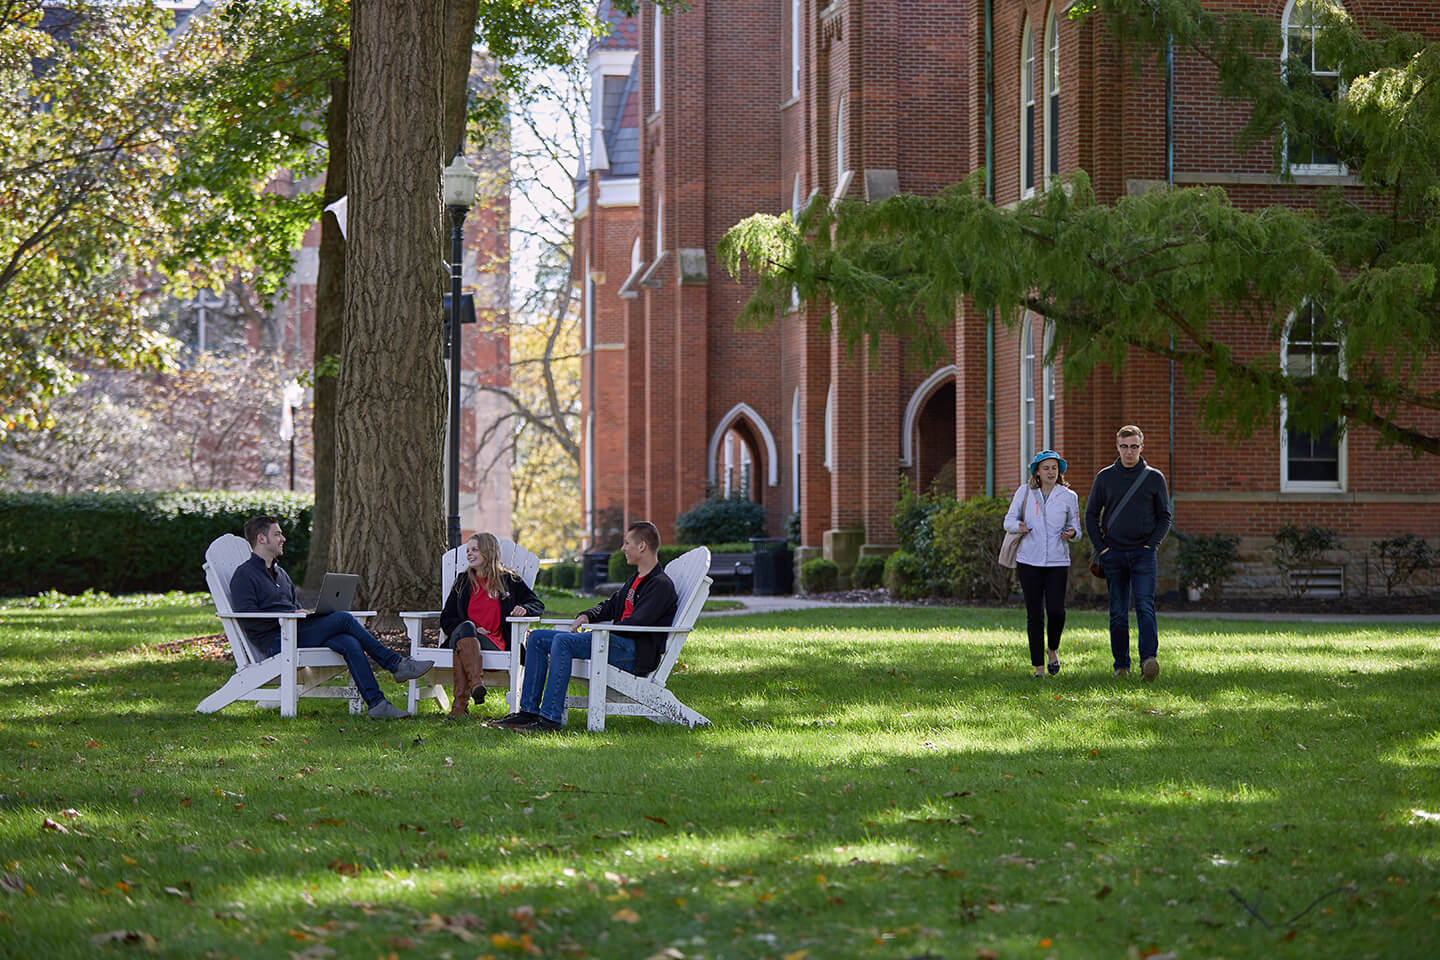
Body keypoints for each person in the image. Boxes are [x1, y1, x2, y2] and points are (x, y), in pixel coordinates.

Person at [228, 516, 433, 718]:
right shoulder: (244, 575)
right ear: (261, 539)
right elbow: (247, 616)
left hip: (295, 632)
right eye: (277, 534)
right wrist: (289, 614)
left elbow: (294, 607)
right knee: (343, 618)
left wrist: (305, 614)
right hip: (274, 641)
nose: (283, 538)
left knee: (349, 641)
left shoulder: (280, 573)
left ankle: (377, 704)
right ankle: (396, 664)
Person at [492, 520, 677, 732]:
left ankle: (550, 719)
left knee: (563, 641)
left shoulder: (660, 585)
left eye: (627, 543)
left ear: (642, 545)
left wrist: (598, 632)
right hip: (615, 642)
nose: (623, 548)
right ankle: (528, 712)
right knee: (537, 638)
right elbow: (610, 606)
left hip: (635, 652)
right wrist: (588, 616)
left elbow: (637, 624)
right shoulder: (636, 579)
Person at [1084, 426, 1173, 681]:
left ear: (1141, 447)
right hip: (1113, 553)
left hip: (1143, 554)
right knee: (1118, 612)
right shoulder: (1105, 477)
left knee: (1145, 606)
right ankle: (1121, 665)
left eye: (1134, 446)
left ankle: (1148, 661)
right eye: (1124, 446)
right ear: (1117, 447)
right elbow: (1091, 515)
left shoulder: (1154, 478)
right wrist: (1102, 548)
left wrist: (1151, 545)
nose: (1129, 452)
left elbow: (1165, 517)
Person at [437, 532, 545, 719]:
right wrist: (469, 629)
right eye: (468, 550)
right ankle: (477, 684)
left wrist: (524, 609)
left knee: (463, 643)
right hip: (460, 634)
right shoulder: (463, 582)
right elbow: (446, 617)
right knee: (467, 628)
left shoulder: (510, 581)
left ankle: (460, 707)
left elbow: (537, 604)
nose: (469, 554)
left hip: (493, 642)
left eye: (475, 550)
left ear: (488, 552)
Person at [1004, 450, 1082, 678]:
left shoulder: (1069, 496)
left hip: (1058, 561)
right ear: (1037, 471)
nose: (1050, 472)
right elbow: (1008, 521)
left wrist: (1072, 532)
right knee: (1034, 615)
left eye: (1054, 468)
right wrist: (1019, 526)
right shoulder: (1025, 492)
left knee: (1057, 612)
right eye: (1046, 468)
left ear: (1059, 472)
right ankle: (1039, 666)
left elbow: (1076, 529)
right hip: (1029, 561)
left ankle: (1053, 649)